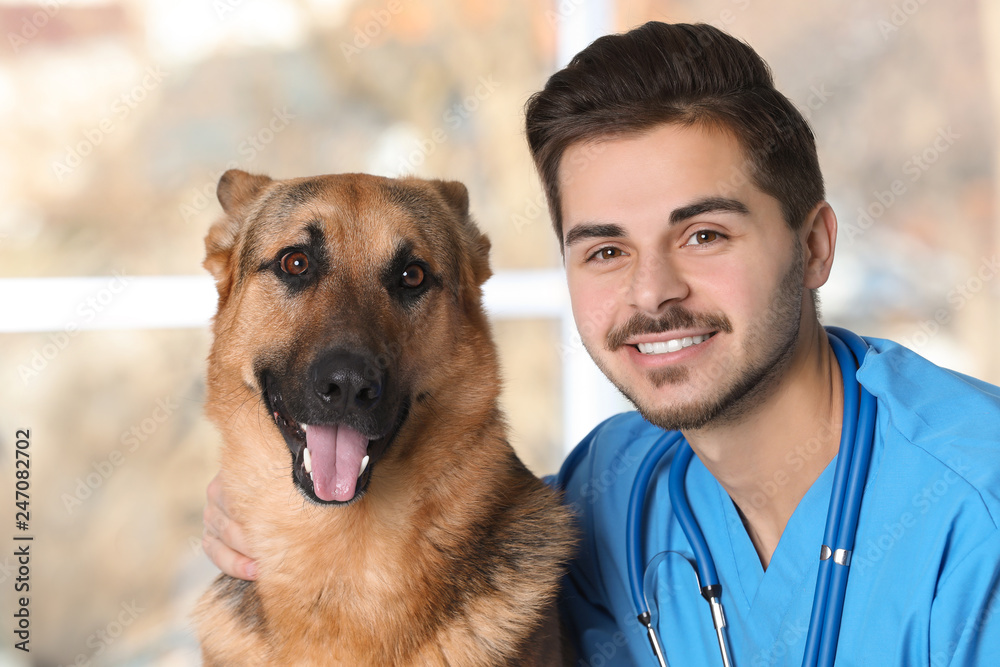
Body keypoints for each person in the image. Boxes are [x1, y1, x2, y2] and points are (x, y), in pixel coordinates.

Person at [203, 21, 1000, 666]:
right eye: (606, 250)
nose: (653, 292)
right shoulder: (614, 488)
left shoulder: (974, 511)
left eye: (704, 233)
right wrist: (266, 511)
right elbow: (449, 516)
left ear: (816, 246)